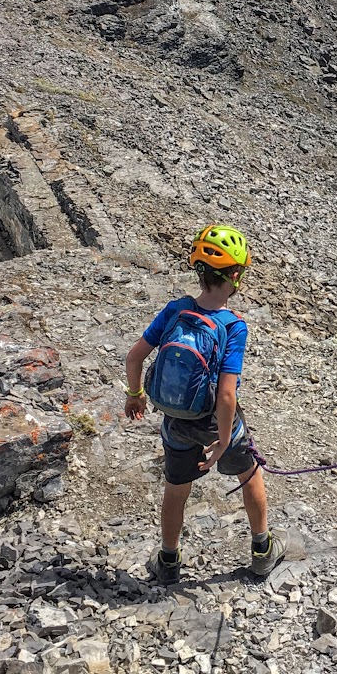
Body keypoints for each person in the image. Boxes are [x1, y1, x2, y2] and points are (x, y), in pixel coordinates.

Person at [124, 224, 284, 584]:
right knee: (249, 475)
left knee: (176, 490)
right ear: (237, 275)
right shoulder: (233, 325)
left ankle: (168, 561)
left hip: (177, 422)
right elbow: (227, 394)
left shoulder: (175, 310)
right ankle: (262, 552)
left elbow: (134, 358)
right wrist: (224, 441)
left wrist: (135, 395)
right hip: (217, 426)